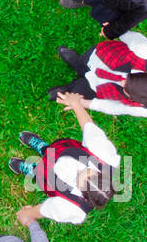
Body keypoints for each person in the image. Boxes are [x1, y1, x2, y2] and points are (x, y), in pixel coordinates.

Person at [9, 93, 122, 226]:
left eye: (79, 177)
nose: (79, 171)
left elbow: (44, 210)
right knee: (51, 151)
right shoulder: (106, 157)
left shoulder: (73, 209)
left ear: (84, 197)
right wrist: (75, 104)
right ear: (100, 173)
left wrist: (28, 214)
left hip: (51, 179)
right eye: (86, 170)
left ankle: (35, 170)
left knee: (42, 175)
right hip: (61, 152)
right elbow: (89, 128)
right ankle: (44, 149)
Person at [48, 31, 147, 117]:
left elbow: (112, 107)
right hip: (102, 58)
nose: (122, 82)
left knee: (79, 89)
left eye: (125, 90)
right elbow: (125, 33)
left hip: (99, 88)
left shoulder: (141, 109)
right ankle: (77, 63)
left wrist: (80, 103)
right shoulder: (146, 51)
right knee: (85, 60)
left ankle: (69, 88)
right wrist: (112, 29)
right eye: (128, 78)